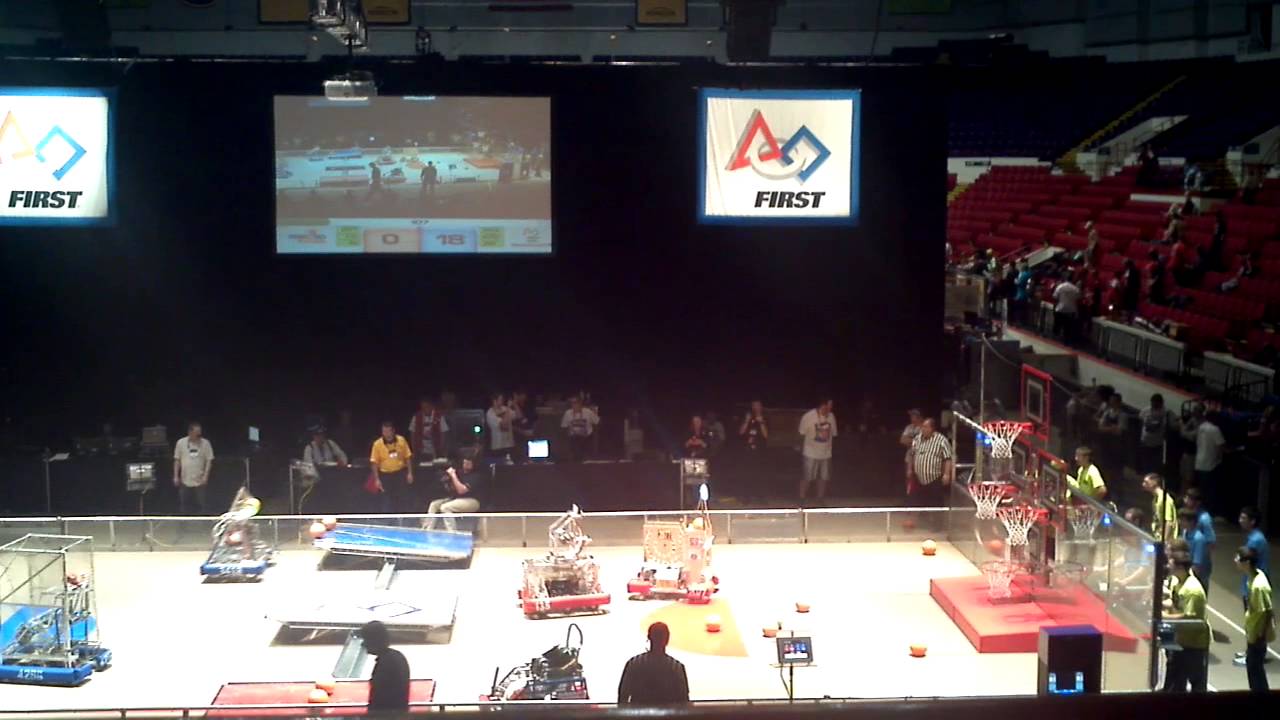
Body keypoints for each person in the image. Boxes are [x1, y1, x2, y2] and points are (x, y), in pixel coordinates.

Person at [1162, 555, 1210, 692]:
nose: (1168, 567)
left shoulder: (1192, 590)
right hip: (1181, 639)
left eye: (1171, 564)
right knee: (1177, 679)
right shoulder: (1178, 583)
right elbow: (1176, 602)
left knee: (1196, 682)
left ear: (1180, 567)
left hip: (1193, 644)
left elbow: (1190, 617)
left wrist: (1166, 617)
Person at [617, 622, 689, 705]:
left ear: (649, 637)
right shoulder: (677, 667)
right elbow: (684, 701)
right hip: (668, 716)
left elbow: (623, 697)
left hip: (639, 716)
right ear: (667, 639)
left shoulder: (633, 663)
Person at [1235, 506, 1271, 667]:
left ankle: (1256, 654)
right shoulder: (1253, 537)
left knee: (1256, 621)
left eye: (1244, 518)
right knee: (1250, 620)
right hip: (1249, 582)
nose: (1240, 520)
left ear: (1252, 521)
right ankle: (1251, 651)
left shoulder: (1256, 540)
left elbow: (1246, 557)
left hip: (1254, 586)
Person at [1236, 546, 1275, 691]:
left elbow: (1266, 613)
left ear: (1246, 562)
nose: (1235, 561)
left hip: (1257, 636)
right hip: (1252, 632)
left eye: (1238, 558)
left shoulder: (1259, 586)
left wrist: (1259, 637)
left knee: (1256, 671)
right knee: (1253, 670)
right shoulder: (1252, 578)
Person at [906, 418, 953, 527]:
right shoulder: (917, 439)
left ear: (932, 428)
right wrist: (909, 469)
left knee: (936, 502)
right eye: (923, 426)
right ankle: (918, 523)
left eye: (926, 427)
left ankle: (938, 525)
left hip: (934, 477)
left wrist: (946, 474)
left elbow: (948, 458)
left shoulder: (941, 440)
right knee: (916, 501)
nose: (923, 429)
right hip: (918, 477)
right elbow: (911, 454)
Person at [359, 620, 410, 712]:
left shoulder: (387, 662)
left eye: (366, 640)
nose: (363, 644)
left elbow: (381, 696)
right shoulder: (395, 656)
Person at [424, 456, 482, 532]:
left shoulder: (476, 476)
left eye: (468, 463)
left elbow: (461, 490)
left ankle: (452, 533)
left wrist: (453, 475)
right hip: (455, 498)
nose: (466, 465)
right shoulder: (460, 472)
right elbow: (451, 489)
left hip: (472, 501)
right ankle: (427, 530)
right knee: (434, 504)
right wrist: (447, 480)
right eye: (465, 463)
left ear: (473, 464)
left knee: (445, 507)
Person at [797, 398, 837, 501]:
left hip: (826, 453)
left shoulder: (831, 417)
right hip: (810, 452)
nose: (830, 408)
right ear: (822, 405)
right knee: (807, 477)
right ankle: (801, 498)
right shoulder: (808, 416)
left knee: (824, 477)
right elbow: (801, 433)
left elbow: (834, 434)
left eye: (831, 406)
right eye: (828, 406)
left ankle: (820, 498)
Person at [370, 421, 414, 514]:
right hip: (385, 475)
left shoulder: (401, 440)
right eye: (384, 432)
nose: (386, 434)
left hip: (400, 474)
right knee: (387, 499)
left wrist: (410, 473)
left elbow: (408, 457)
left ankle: (402, 520)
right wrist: (377, 479)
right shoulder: (377, 444)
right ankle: (388, 522)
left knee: (402, 498)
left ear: (393, 431)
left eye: (388, 431)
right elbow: (374, 463)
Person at [1189, 410, 1226, 516]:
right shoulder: (1215, 429)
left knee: (1201, 490)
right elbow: (1221, 445)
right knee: (1209, 491)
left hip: (1199, 462)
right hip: (1210, 465)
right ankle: (1208, 512)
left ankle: (1199, 510)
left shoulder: (1202, 426)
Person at [173, 422, 214, 514]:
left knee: (202, 504)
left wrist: (205, 477)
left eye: (199, 432)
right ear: (190, 432)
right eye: (196, 432)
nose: (198, 435)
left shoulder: (206, 443)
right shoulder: (180, 443)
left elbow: (209, 461)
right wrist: (176, 476)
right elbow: (177, 460)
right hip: (185, 479)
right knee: (184, 504)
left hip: (200, 479)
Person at [1138, 394, 1173, 483]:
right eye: (1153, 403)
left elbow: (1174, 424)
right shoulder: (1146, 411)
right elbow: (1140, 420)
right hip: (1145, 442)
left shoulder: (1166, 413)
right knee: (1145, 465)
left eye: (1157, 403)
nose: (1154, 405)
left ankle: (1154, 483)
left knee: (1156, 466)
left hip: (1158, 444)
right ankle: (1146, 482)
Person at [1178, 508, 1213, 596]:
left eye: (1183, 520)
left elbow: (1197, 566)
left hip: (1198, 578)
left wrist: (1186, 580)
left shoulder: (1199, 539)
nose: (1180, 522)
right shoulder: (1185, 532)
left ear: (1191, 522)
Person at [1141, 473, 1178, 544]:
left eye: (1146, 482)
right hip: (1157, 536)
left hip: (1166, 541)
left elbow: (1169, 522)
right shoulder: (1155, 499)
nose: (1143, 484)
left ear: (1154, 483)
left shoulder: (1164, 499)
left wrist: (1163, 542)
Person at [560, 396, 600, 462]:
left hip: (586, 436)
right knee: (574, 442)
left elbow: (597, 422)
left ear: (580, 404)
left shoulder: (588, 412)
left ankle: (581, 459)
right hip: (573, 437)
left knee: (581, 444)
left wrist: (595, 434)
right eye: (572, 403)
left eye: (576, 403)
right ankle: (577, 460)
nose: (574, 405)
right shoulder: (567, 413)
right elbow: (564, 426)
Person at [409, 397, 449, 462]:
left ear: (432, 406)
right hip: (421, 448)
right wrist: (413, 449)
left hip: (435, 448)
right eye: (423, 407)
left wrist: (442, 448)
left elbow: (444, 433)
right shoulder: (416, 416)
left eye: (426, 407)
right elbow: (412, 433)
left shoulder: (439, 416)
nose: (424, 409)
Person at [1052, 274, 1082, 345]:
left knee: (1057, 326)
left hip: (1060, 309)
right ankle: (1065, 341)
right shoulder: (1075, 289)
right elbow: (1079, 298)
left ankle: (1055, 341)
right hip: (1071, 310)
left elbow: (1055, 297)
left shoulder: (1060, 286)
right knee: (1067, 328)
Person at [485, 393, 515, 460]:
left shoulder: (505, 409)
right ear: (494, 401)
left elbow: (519, 416)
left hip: (509, 445)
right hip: (498, 446)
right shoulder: (490, 413)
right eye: (500, 399)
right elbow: (503, 424)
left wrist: (515, 404)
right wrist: (509, 408)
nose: (502, 401)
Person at [510, 390, 536, 459]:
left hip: (528, 438)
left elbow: (525, 420)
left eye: (524, 395)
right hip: (516, 440)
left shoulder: (529, 407)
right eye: (521, 395)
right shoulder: (510, 407)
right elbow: (517, 420)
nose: (523, 397)